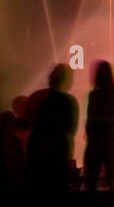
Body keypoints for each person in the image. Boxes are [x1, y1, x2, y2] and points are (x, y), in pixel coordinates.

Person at [25, 64, 78, 194]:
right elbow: (71, 130)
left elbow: (27, 123)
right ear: (66, 80)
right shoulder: (69, 101)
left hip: (37, 152)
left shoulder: (36, 97)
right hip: (58, 154)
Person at [83, 61, 114, 192]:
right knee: (111, 180)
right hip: (110, 141)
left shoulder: (93, 95)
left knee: (91, 182)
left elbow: (90, 118)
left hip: (94, 142)